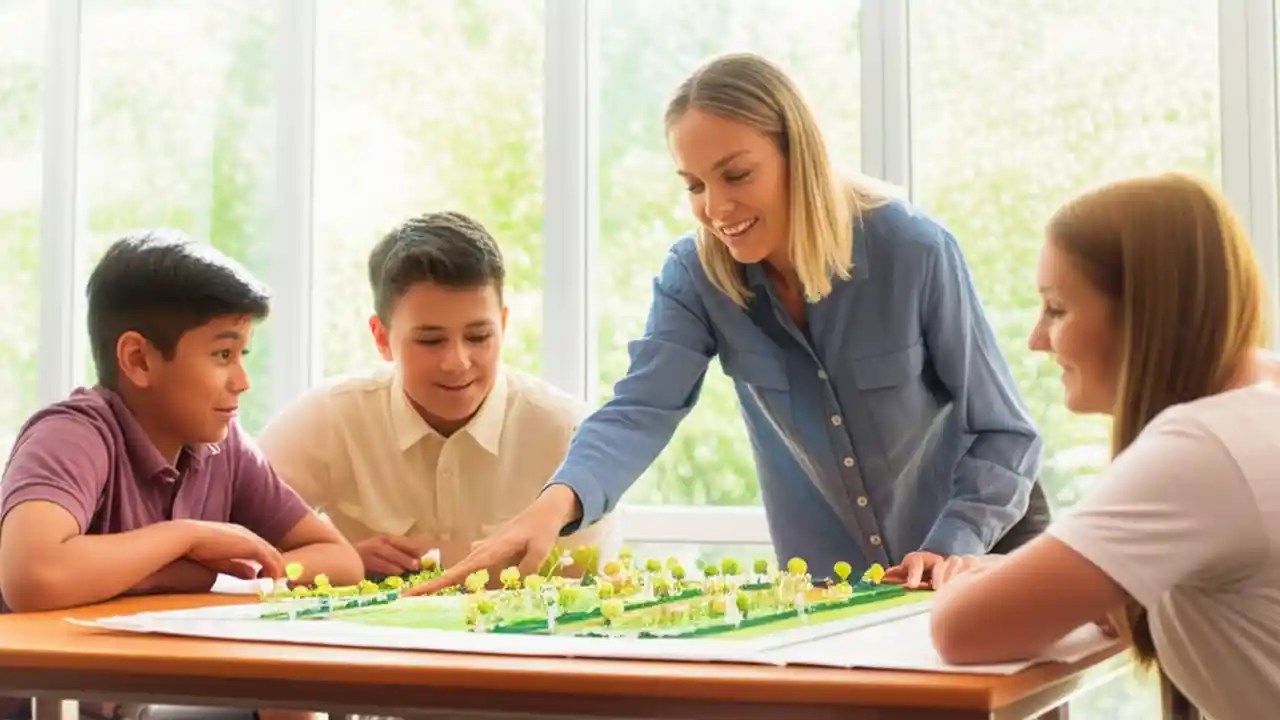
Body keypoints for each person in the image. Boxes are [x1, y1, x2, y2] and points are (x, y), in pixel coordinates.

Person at [413, 52, 1045, 595]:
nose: (715, 209)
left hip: (983, 552)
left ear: (799, 153)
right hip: (843, 584)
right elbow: (640, 409)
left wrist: (951, 545)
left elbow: (1005, 431)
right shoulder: (696, 276)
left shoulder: (912, 248)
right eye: (694, 185)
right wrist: (552, 509)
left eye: (736, 175)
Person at [929, 173, 1280, 720]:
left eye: (1057, 308)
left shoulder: (1201, 446)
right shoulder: (1262, 394)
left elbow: (961, 630)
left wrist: (969, 578)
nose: (1037, 339)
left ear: (1144, 313)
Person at [0, 230, 361, 719]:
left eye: (243, 355)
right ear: (139, 360)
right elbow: (32, 575)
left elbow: (339, 561)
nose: (242, 380)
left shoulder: (220, 444)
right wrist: (183, 540)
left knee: (292, 694)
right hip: (47, 703)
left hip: (149, 698)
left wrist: (219, 580)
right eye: (221, 355)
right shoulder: (73, 434)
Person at [258, 212, 618, 578]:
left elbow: (586, 595)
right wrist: (341, 560)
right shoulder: (329, 419)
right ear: (381, 337)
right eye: (431, 341)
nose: (457, 362)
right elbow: (234, 547)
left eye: (479, 337)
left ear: (504, 325)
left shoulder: (566, 433)